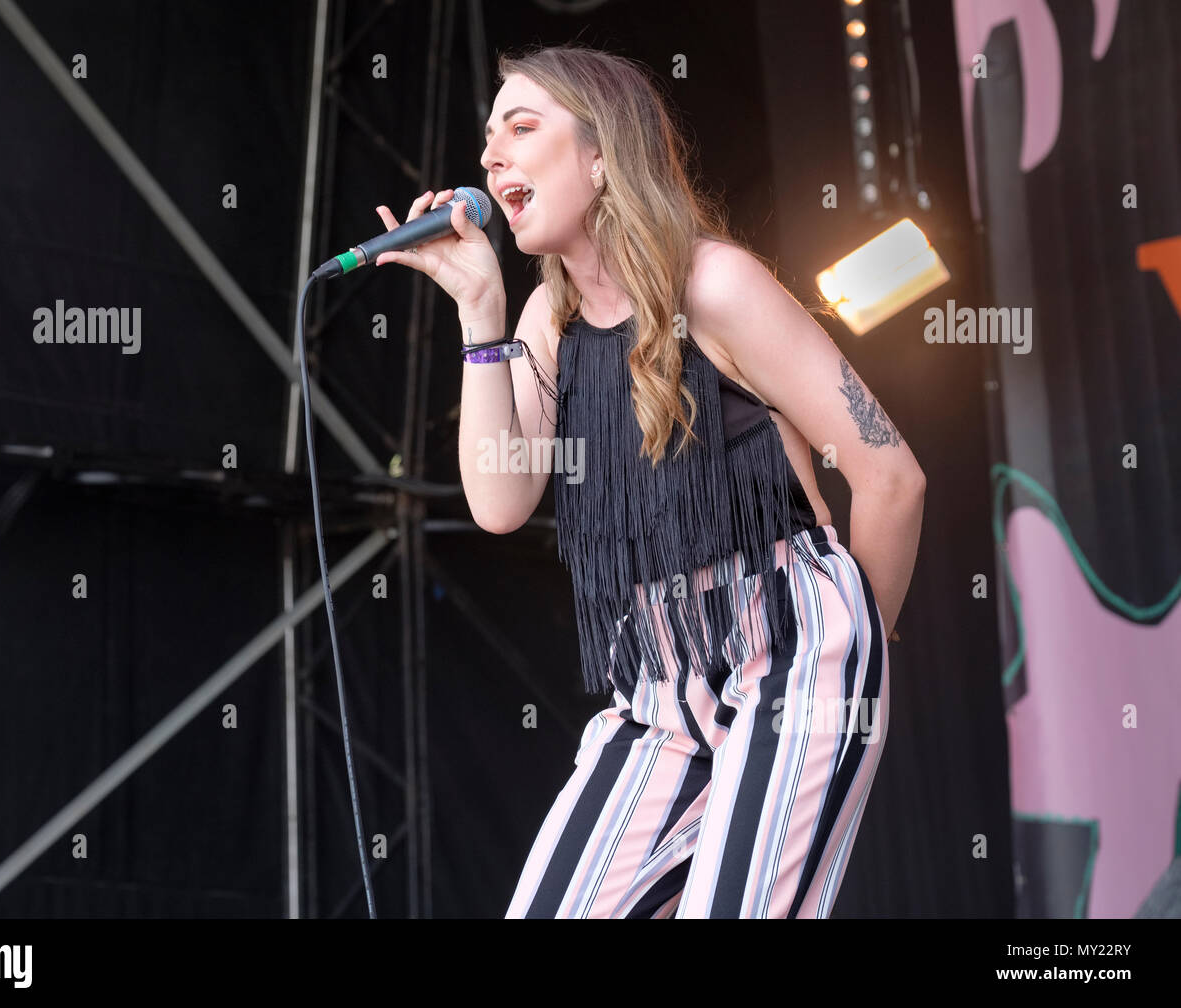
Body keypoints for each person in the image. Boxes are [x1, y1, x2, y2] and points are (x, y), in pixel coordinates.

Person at [374, 43, 925, 918]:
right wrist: (479, 310)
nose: (490, 157)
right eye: (488, 139)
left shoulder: (716, 284)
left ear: (603, 158)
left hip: (790, 648)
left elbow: (890, 475)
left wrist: (863, 661)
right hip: (657, 684)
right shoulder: (547, 320)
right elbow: (500, 501)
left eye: (522, 127)